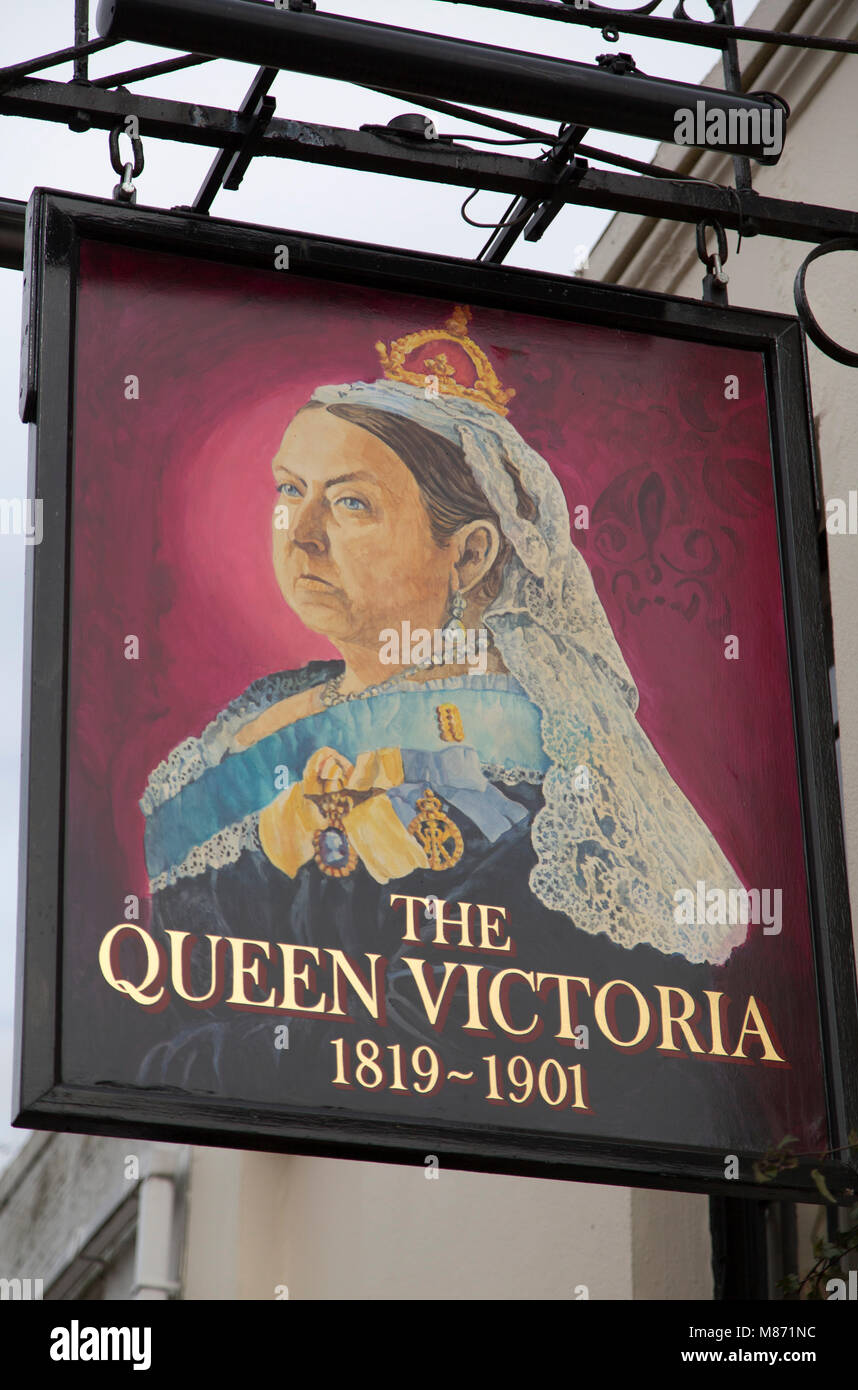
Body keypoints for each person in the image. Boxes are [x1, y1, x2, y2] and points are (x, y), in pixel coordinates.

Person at [138, 305, 754, 1143]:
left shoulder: (557, 783)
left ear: (468, 553)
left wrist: (203, 1062)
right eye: (289, 490)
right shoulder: (246, 733)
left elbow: (416, 1045)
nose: (302, 535)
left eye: (351, 504)